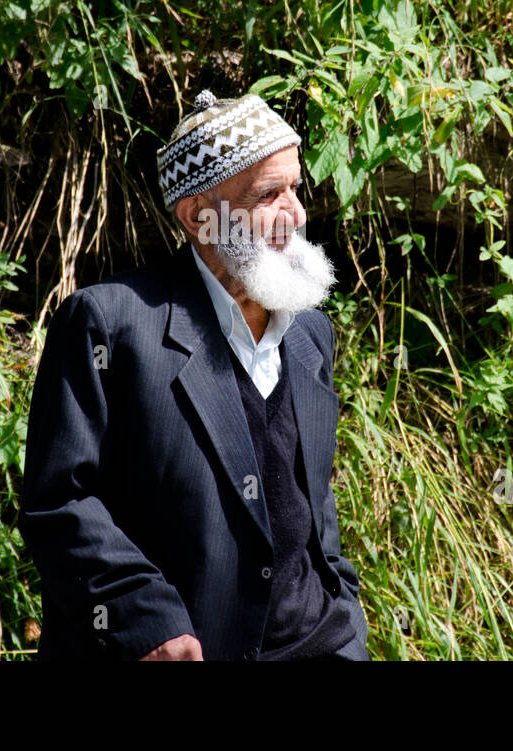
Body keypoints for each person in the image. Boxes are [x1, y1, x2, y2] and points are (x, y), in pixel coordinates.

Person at [19, 89, 370, 661]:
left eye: (295, 189)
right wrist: (146, 620)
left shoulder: (310, 336)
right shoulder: (110, 325)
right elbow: (60, 502)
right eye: (269, 194)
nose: (297, 215)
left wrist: (347, 618)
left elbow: (313, 506)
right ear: (198, 215)